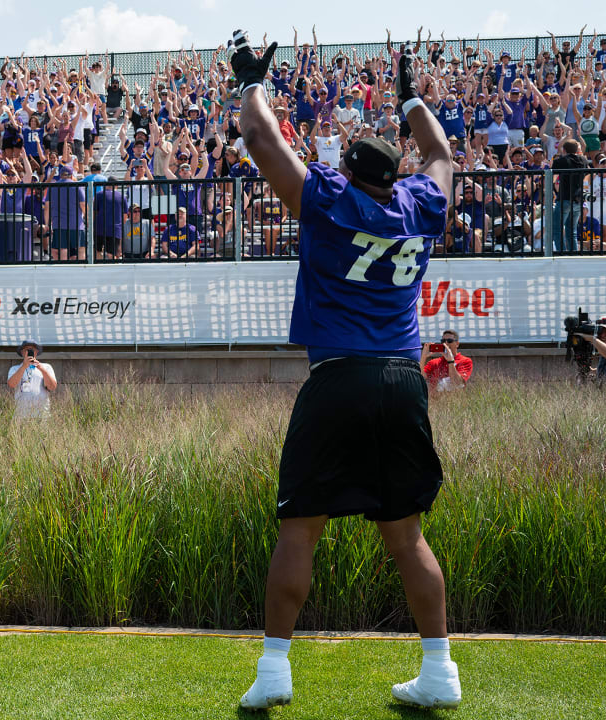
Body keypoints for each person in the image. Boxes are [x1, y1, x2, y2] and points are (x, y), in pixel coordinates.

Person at [231, 33, 460, 710]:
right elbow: (443, 154)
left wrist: (251, 83)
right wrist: (411, 100)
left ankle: (275, 670)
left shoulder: (330, 204)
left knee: (300, 525)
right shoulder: (419, 205)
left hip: (337, 377)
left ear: (350, 171)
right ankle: (440, 671)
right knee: (407, 534)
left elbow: (261, 138)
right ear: (394, 176)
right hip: (401, 379)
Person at [551, 139, 589, 252]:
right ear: (577, 149)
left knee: (557, 230)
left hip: (564, 198)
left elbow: (552, 175)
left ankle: (561, 254)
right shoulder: (583, 160)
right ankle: (573, 254)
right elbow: (587, 173)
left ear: (564, 150)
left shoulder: (560, 161)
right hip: (578, 199)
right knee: (572, 231)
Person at [6, 339, 57, 421]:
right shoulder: (15, 369)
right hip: (20, 415)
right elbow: (11, 384)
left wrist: (42, 369)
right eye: (27, 350)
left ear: (36, 352)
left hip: (42, 415)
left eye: (32, 350)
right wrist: (24, 367)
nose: (29, 352)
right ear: (22, 353)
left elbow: (52, 387)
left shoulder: (46, 367)